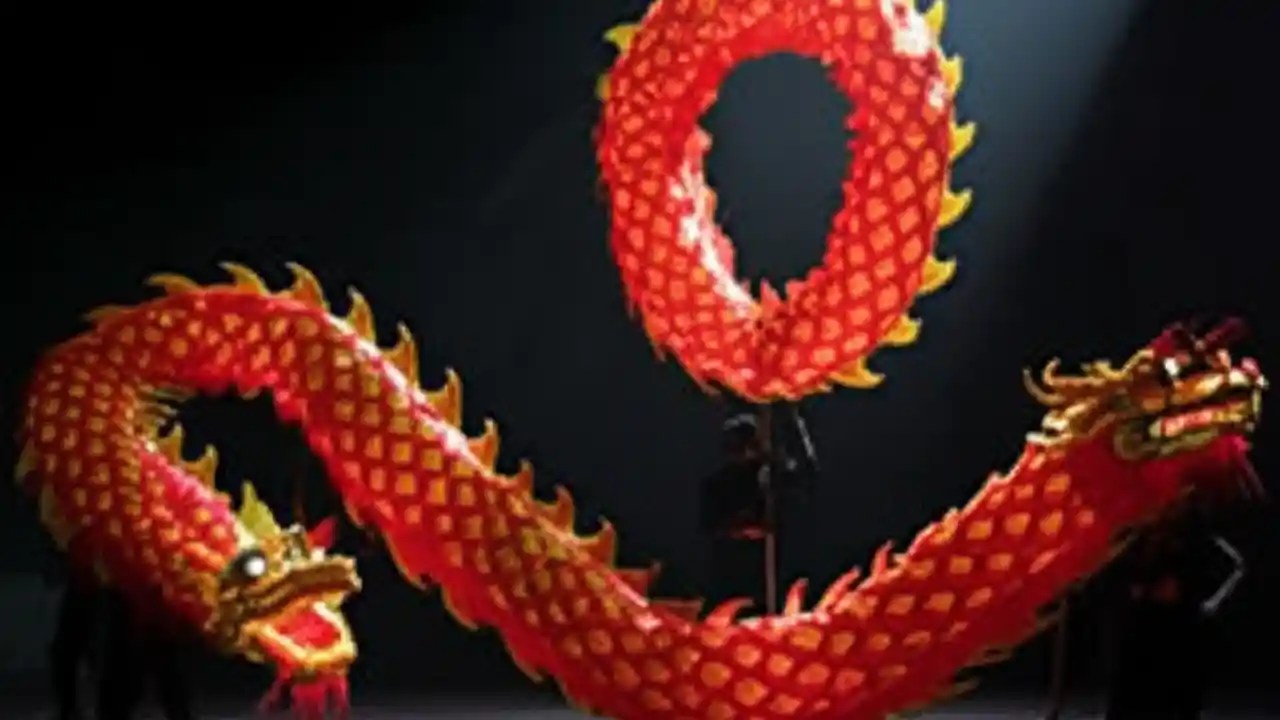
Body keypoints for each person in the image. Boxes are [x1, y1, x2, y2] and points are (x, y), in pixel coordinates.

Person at [1103, 506, 1246, 720]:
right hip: (1138, 640)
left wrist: (1206, 602)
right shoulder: (1134, 539)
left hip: (1179, 639)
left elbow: (1235, 567)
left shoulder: (1197, 540)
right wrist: (1133, 589)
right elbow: (1116, 578)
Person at [697, 407, 816, 613]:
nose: (745, 452)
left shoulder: (771, 475)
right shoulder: (718, 483)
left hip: (771, 573)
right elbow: (709, 525)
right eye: (737, 446)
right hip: (732, 573)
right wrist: (742, 528)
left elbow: (806, 475)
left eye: (749, 444)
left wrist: (794, 423)